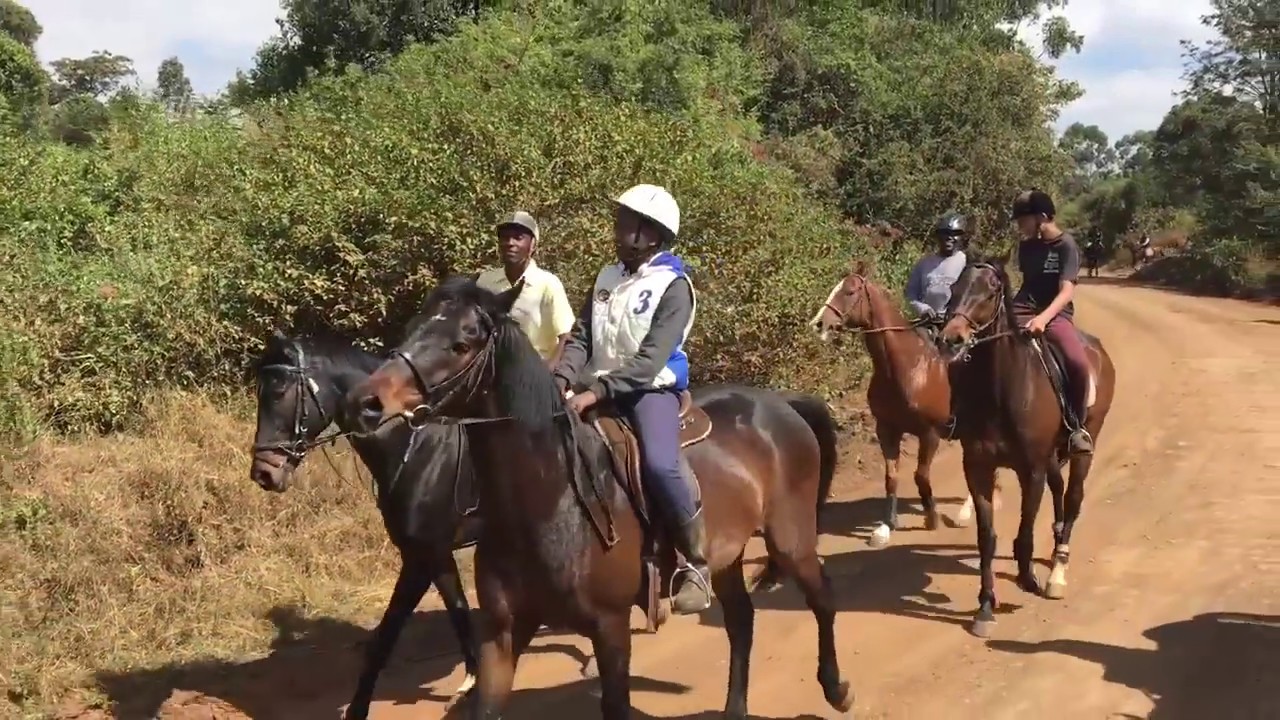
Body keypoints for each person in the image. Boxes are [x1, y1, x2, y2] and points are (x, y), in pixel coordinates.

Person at [551, 183, 710, 615]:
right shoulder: (607, 276)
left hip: (650, 389)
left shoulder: (674, 286)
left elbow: (648, 360)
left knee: (660, 463)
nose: (616, 225)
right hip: (595, 383)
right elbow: (582, 336)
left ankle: (694, 564)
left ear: (650, 234)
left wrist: (592, 394)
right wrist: (562, 377)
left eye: (626, 219)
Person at [1011, 189, 1093, 455]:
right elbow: (1026, 284)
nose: (1020, 226)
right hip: (1023, 307)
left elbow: (1066, 290)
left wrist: (1043, 319)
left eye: (1023, 220)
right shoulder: (1026, 246)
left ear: (1042, 217)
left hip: (1055, 313)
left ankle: (1075, 427)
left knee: (1079, 364)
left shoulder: (1066, 245)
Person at [476, 210, 576, 369]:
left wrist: (549, 373)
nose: (510, 243)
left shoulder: (548, 283)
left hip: (534, 371)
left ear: (533, 244)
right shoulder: (486, 281)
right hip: (493, 371)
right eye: (505, 237)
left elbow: (566, 336)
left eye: (518, 237)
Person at [905, 212, 969, 333]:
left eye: (954, 234)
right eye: (944, 233)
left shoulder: (967, 263)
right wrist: (922, 309)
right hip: (926, 325)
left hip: (956, 326)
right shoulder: (923, 264)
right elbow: (910, 295)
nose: (949, 237)